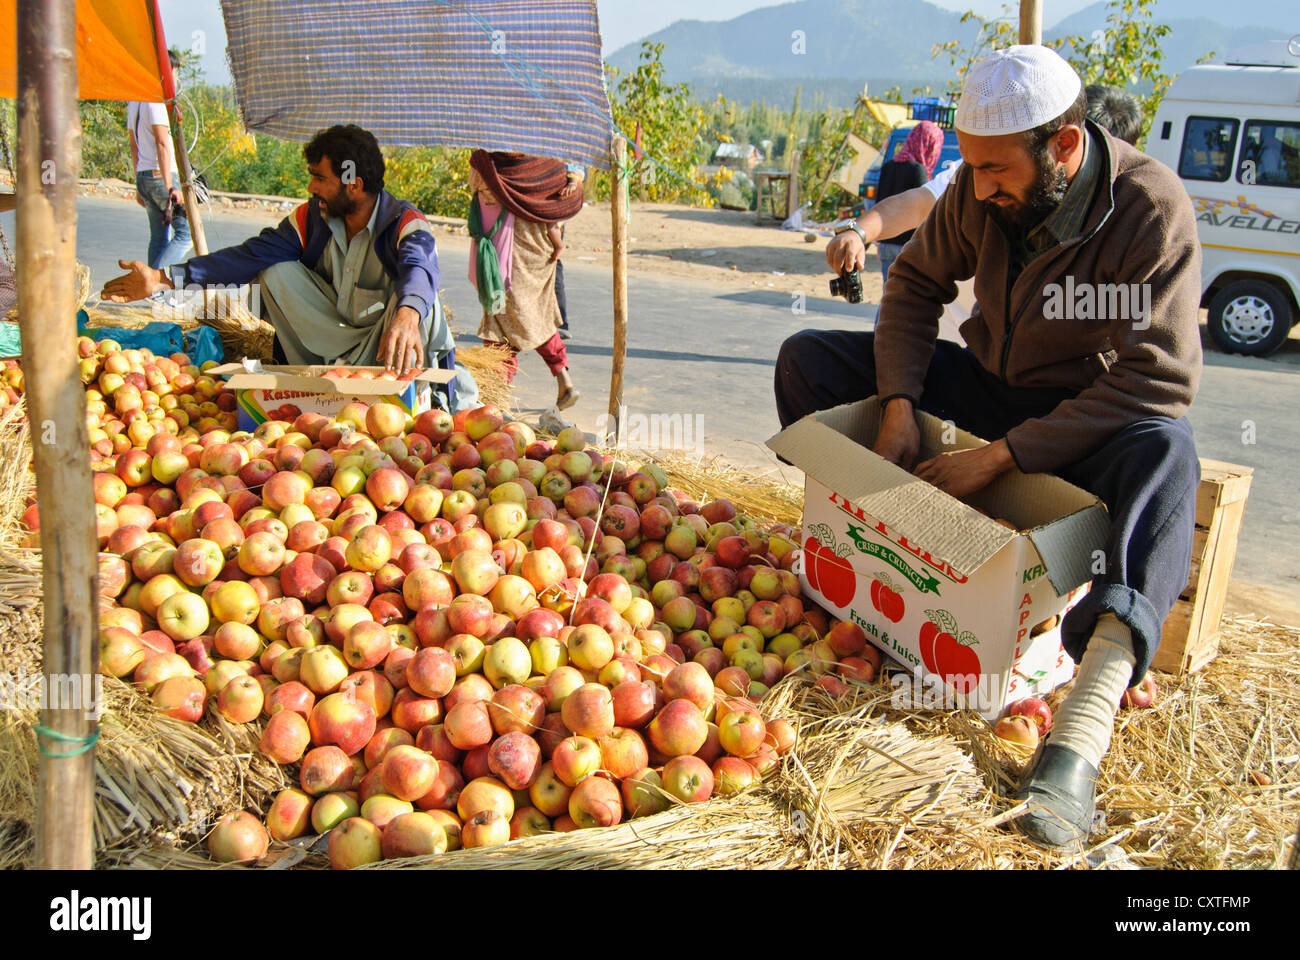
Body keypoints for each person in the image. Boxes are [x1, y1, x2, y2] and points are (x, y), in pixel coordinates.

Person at [775, 48, 1202, 852]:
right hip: (989, 386)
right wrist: (900, 407)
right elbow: (913, 287)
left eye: (995, 170)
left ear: (1065, 148)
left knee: (1168, 455)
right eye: (968, 167)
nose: (976, 189)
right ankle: (886, 568)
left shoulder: (1150, 209)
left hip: (1085, 418)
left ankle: (1077, 736)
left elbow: (1159, 381)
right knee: (810, 360)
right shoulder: (979, 192)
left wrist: (1002, 456)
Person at [101, 124, 477, 410]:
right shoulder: (310, 220)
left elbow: (419, 267)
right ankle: (315, 386)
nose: (311, 188)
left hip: (387, 347)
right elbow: (248, 257)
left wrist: (409, 313)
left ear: (355, 186)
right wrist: (164, 278)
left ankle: (427, 399)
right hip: (334, 344)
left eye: (319, 178)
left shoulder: (404, 222)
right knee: (274, 270)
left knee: (415, 303)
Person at [827, 85, 1142, 276]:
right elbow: (916, 206)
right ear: (1064, 143)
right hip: (959, 360)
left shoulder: (1135, 220)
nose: (982, 190)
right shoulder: (984, 176)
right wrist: (858, 231)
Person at [468, 150, 581, 410]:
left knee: (501, 326)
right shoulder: (548, 164)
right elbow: (563, 202)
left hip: (499, 258)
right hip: (537, 254)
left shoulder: (487, 165)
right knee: (535, 317)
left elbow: (475, 186)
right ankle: (563, 378)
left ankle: (497, 400)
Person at [127, 48, 192, 272]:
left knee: (159, 238)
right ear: (169, 70)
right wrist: (170, 185)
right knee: (185, 235)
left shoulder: (134, 101)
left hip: (144, 176)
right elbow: (162, 143)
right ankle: (153, 281)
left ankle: (154, 294)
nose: (176, 78)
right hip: (159, 176)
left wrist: (138, 185)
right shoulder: (156, 100)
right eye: (175, 72)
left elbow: (134, 146)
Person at [873, 121, 944, 280]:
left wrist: (878, 241)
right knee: (902, 300)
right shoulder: (918, 170)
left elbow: (879, 205)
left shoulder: (889, 166)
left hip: (886, 242)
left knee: (888, 295)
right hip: (908, 245)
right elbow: (924, 212)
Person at [555, 163, 585, 341]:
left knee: (551, 262)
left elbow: (578, 167)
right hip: (540, 205)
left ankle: (560, 322)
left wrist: (573, 180)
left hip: (553, 205)